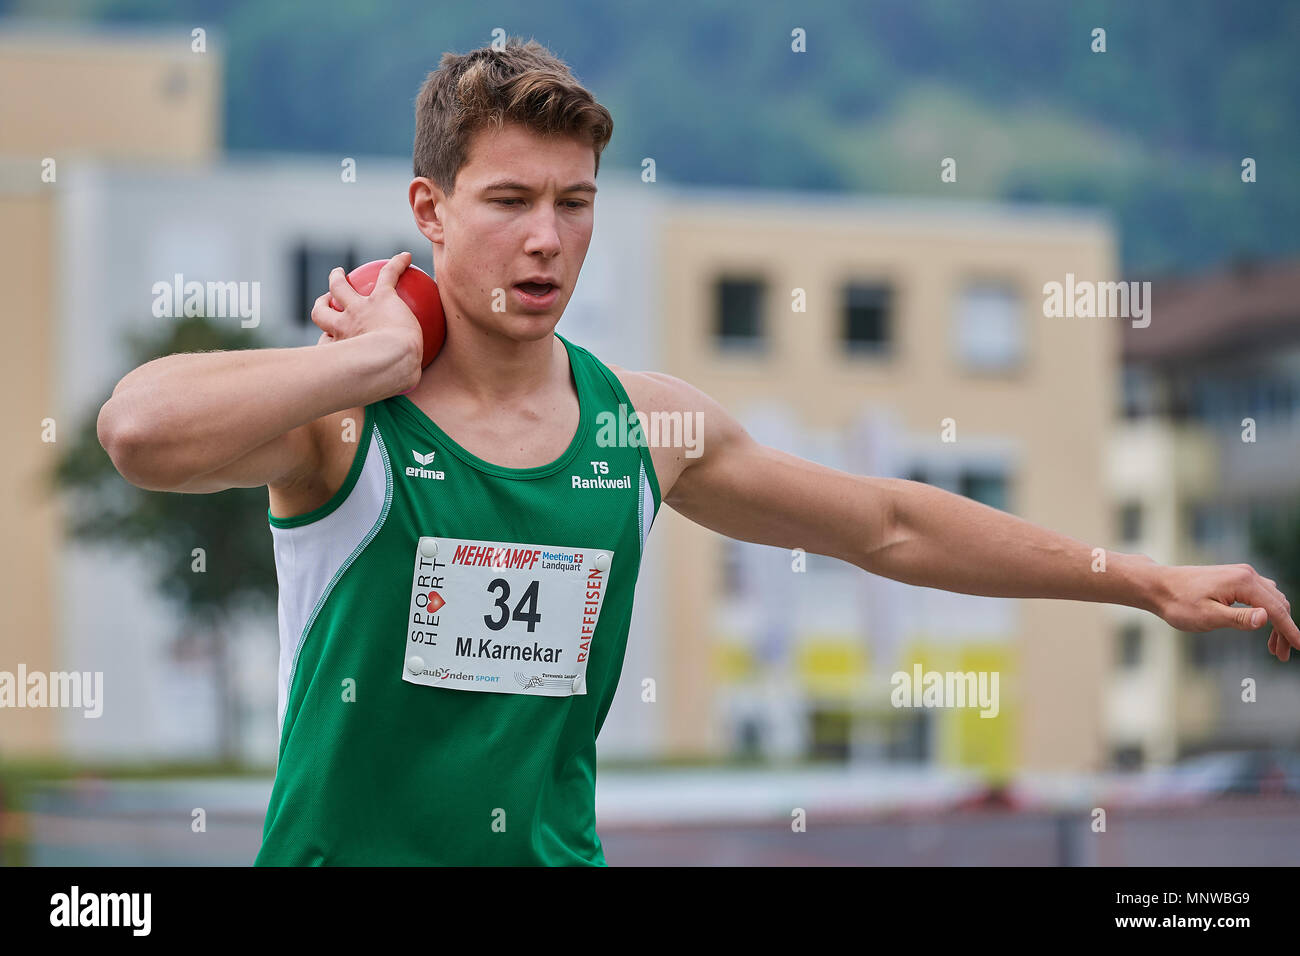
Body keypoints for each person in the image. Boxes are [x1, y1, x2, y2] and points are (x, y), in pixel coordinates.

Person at [97, 38, 1300, 866]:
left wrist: (1137, 576)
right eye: (510, 200)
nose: (546, 239)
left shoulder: (642, 425)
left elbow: (888, 522)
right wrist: (363, 362)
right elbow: (137, 429)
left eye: (574, 204)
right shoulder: (344, 422)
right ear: (430, 211)